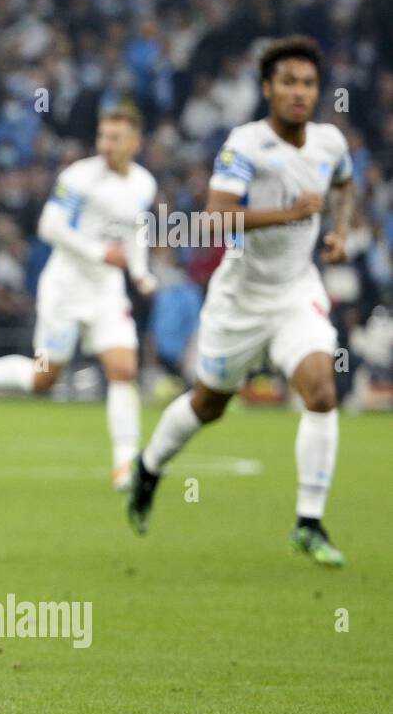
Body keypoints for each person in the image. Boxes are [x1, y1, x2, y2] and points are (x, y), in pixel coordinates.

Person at [128, 36, 354, 567]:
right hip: (240, 298)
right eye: (289, 82)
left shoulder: (329, 143)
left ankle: (309, 522)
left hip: (296, 291)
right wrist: (291, 213)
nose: (300, 93)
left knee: (321, 391)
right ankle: (149, 467)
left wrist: (339, 231)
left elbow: (342, 186)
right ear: (267, 88)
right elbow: (214, 216)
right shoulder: (245, 145)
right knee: (210, 404)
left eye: (308, 83)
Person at [0, 107, 158, 491]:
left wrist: (140, 271)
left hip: (106, 291)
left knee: (124, 369)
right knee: (44, 379)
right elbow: (49, 226)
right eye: (102, 136)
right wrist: (98, 253)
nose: (106, 145)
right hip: (66, 290)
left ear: (135, 143)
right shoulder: (79, 177)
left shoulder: (143, 183)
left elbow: (134, 231)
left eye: (115, 138)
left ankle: (124, 465)